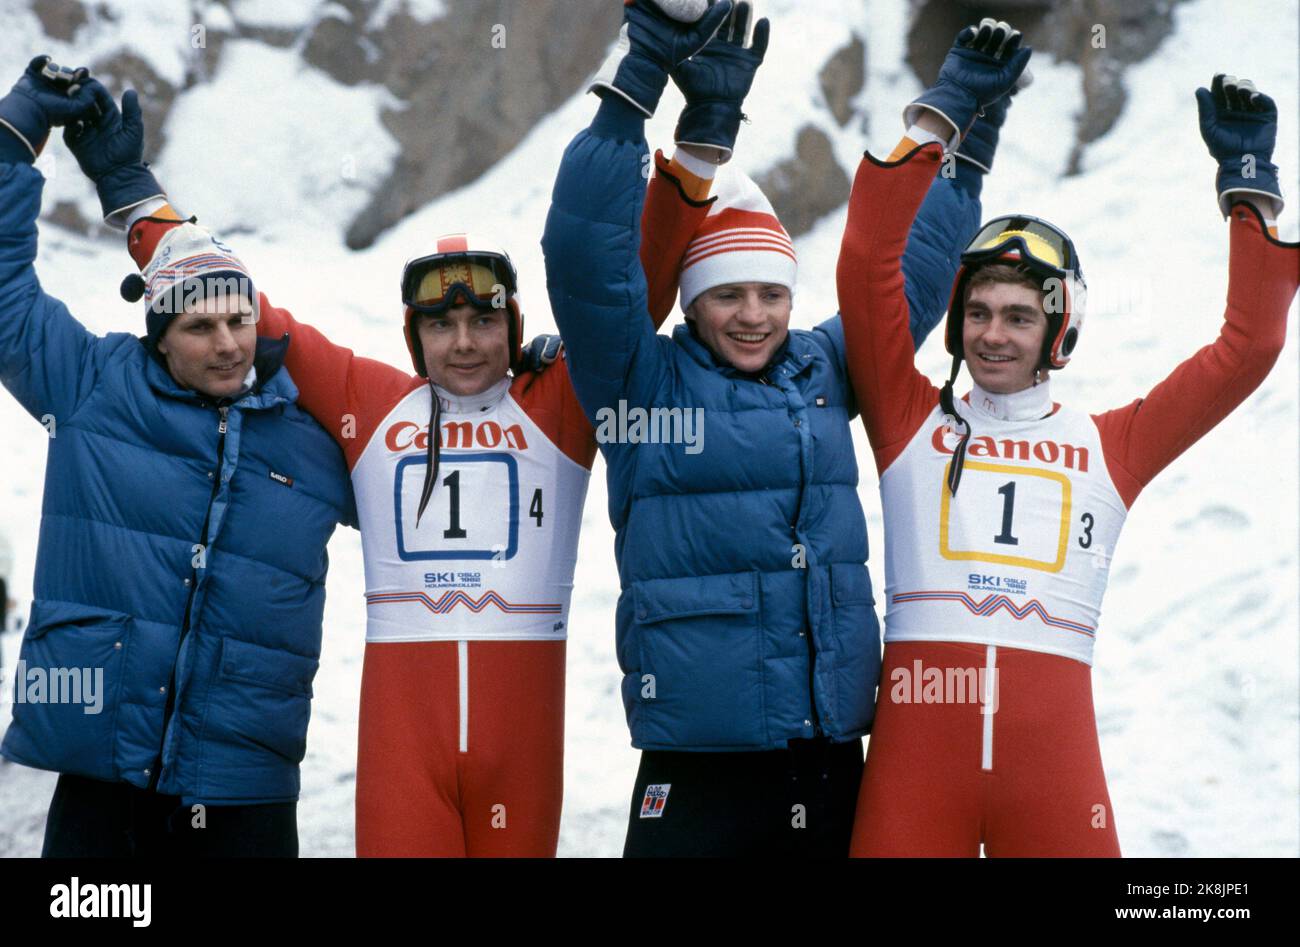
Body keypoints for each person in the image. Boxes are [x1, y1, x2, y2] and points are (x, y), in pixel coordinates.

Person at [108, 34, 739, 854]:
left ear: (512, 326)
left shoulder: (561, 404)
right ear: (415, 334)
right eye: (442, 324)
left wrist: (693, 157)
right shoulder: (373, 405)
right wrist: (134, 199)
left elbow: (630, 289)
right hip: (405, 758)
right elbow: (234, 300)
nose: (465, 342)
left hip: (523, 758)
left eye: (484, 320)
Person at [542, 0, 1008, 856]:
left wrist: (966, 156)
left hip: (831, 755)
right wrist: (638, 80)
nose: (753, 315)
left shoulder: (825, 368)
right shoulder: (639, 382)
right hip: (699, 766)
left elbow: (914, 281)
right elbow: (581, 254)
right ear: (691, 300)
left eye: (772, 294)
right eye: (728, 294)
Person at [836, 23, 1298, 856]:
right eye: (976, 313)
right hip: (914, 777)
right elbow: (868, 258)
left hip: (1053, 785)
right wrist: (941, 117)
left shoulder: (1110, 446)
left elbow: (1247, 350)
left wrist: (1249, 196)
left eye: (1019, 315)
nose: (992, 334)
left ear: (1061, 329)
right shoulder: (908, 419)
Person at [0, 57, 356, 857]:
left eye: (240, 319)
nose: (228, 343)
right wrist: (13, 137)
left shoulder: (312, 436)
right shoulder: (91, 385)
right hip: (104, 780)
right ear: (160, 335)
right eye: (200, 326)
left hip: (245, 790)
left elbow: (428, 470)